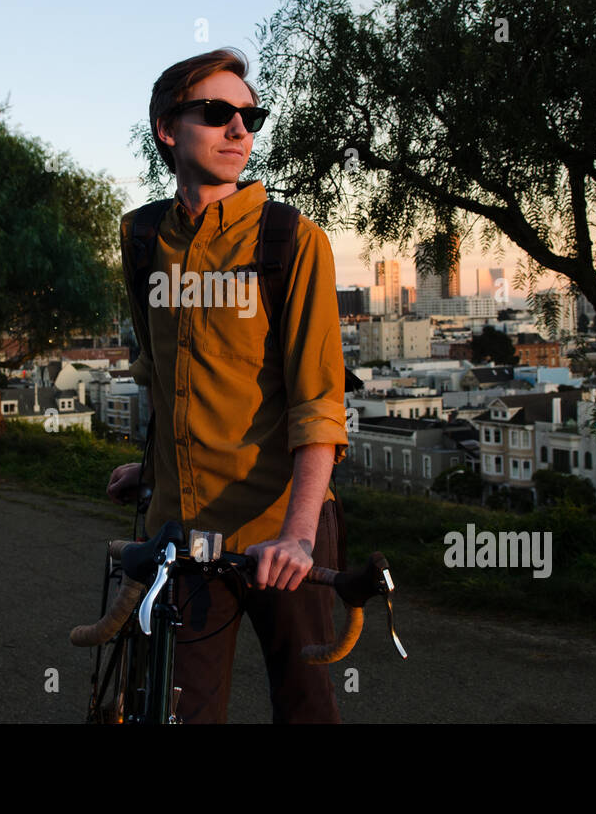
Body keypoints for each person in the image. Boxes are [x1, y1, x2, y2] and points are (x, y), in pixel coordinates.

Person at [106, 47, 349, 723]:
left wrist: (299, 536)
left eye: (250, 115)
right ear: (167, 127)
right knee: (178, 706)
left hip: (282, 529)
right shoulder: (143, 236)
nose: (240, 130)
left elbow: (319, 404)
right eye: (218, 113)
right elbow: (157, 368)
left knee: (305, 705)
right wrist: (155, 467)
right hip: (185, 531)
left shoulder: (291, 241)